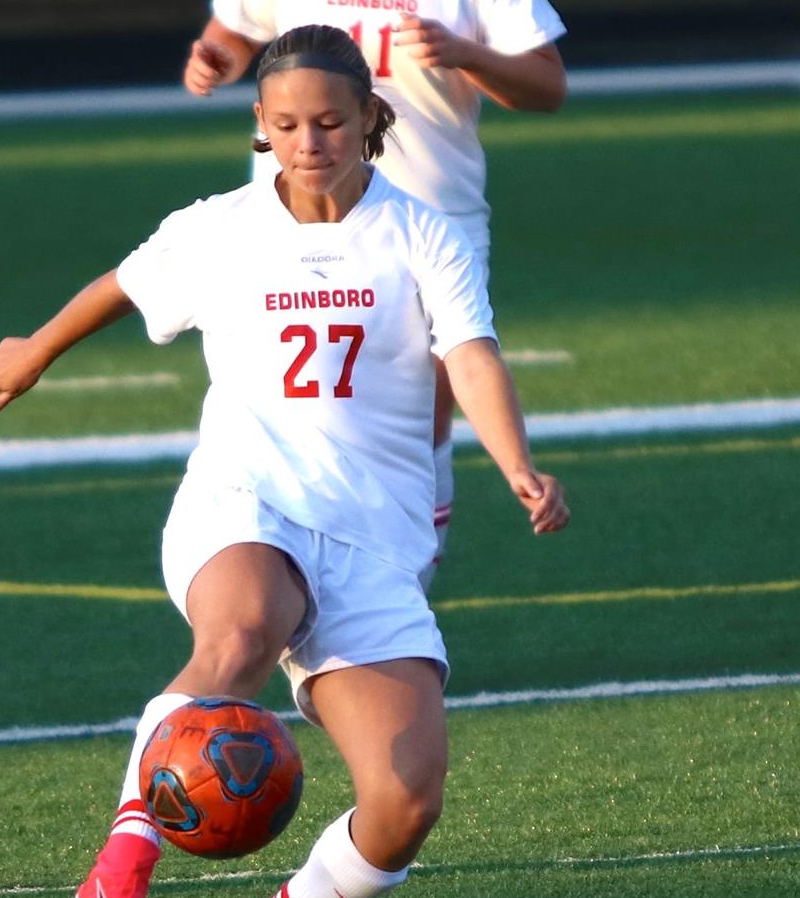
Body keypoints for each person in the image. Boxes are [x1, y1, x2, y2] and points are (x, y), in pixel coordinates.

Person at [0, 25, 569, 898]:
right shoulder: (220, 226)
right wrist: (35, 349)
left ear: (371, 121)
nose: (309, 140)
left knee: (406, 796)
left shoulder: (423, 234)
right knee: (245, 626)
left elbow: (471, 357)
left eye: (330, 121)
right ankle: (124, 855)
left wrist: (517, 463)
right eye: (287, 122)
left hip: (373, 537)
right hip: (246, 500)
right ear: (260, 126)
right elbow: (124, 286)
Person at [184, 0, 568, 591]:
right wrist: (216, 59)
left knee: (424, 411)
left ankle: (401, 597)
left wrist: (468, 54)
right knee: (295, 410)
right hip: (294, 225)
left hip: (430, 221)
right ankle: (287, 573)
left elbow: (547, 85)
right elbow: (235, 33)